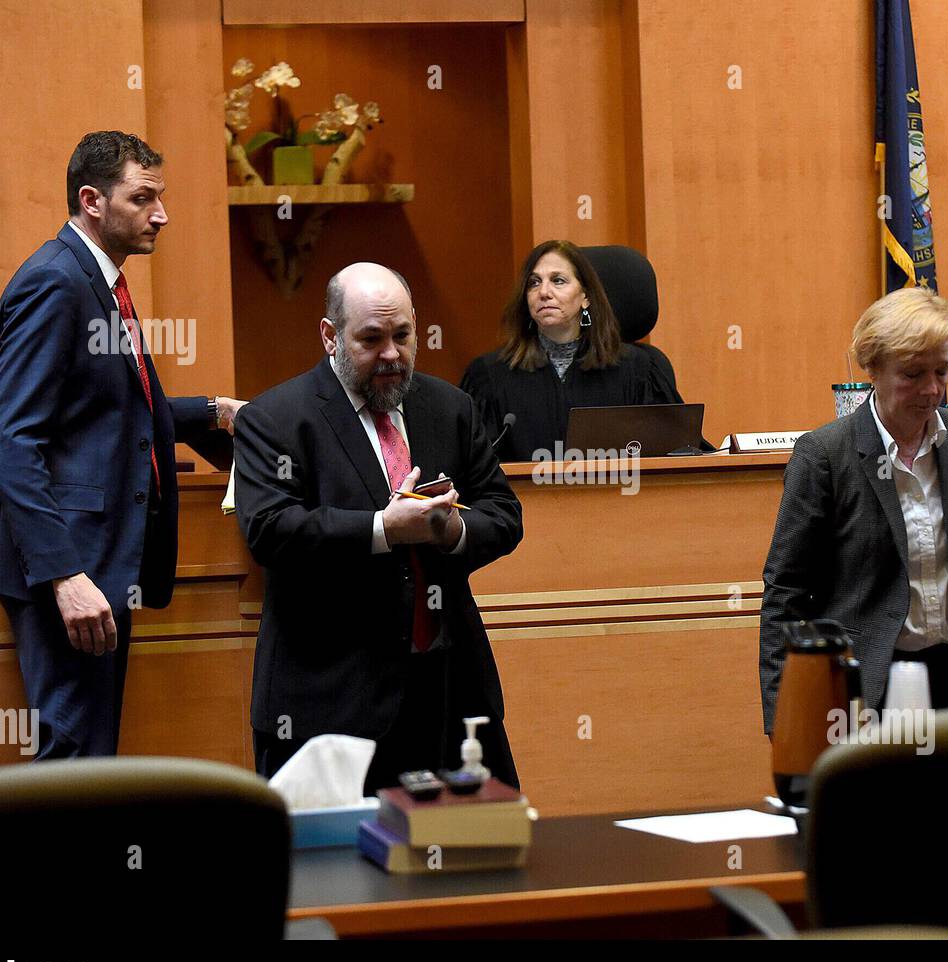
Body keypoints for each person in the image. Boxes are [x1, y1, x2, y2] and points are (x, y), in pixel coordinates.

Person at [0, 130, 243, 758]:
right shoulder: (57, 282)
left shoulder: (98, 280)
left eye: (162, 196)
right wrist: (65, 575)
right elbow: (13, 440)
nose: (162, 214)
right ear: (92, 200)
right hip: (67, 565)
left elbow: (120, 409)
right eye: (144, 197)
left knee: (92, 756)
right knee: (73, 758)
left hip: (100, 560)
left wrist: (215, 411)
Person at [234, 262, 522, 789]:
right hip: (330, 702)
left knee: (468, 860)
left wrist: (450, 531)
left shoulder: (449, 407)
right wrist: (383, 529)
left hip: (447, 691)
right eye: (371, 339)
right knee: (333, 869)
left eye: (403, 336)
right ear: (330, 336)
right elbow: (271, 530)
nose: (391, 354)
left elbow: (503, 514)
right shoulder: (274, 418)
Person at [759, 288, 948, 732]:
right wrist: (786, 714)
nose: (933, 390)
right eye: (913, 374)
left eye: (942, 371)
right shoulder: (824, 455)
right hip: (867, 686)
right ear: (874, 369)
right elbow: (785, 594)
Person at [460, 239, 685, 461]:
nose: (544, 292)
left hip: (620, 494)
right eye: (534, 283)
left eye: (558, 281)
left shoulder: (638, 370)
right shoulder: (489, 377)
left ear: (585, 297)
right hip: (524, 497)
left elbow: (676, 453)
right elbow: (471, 469)